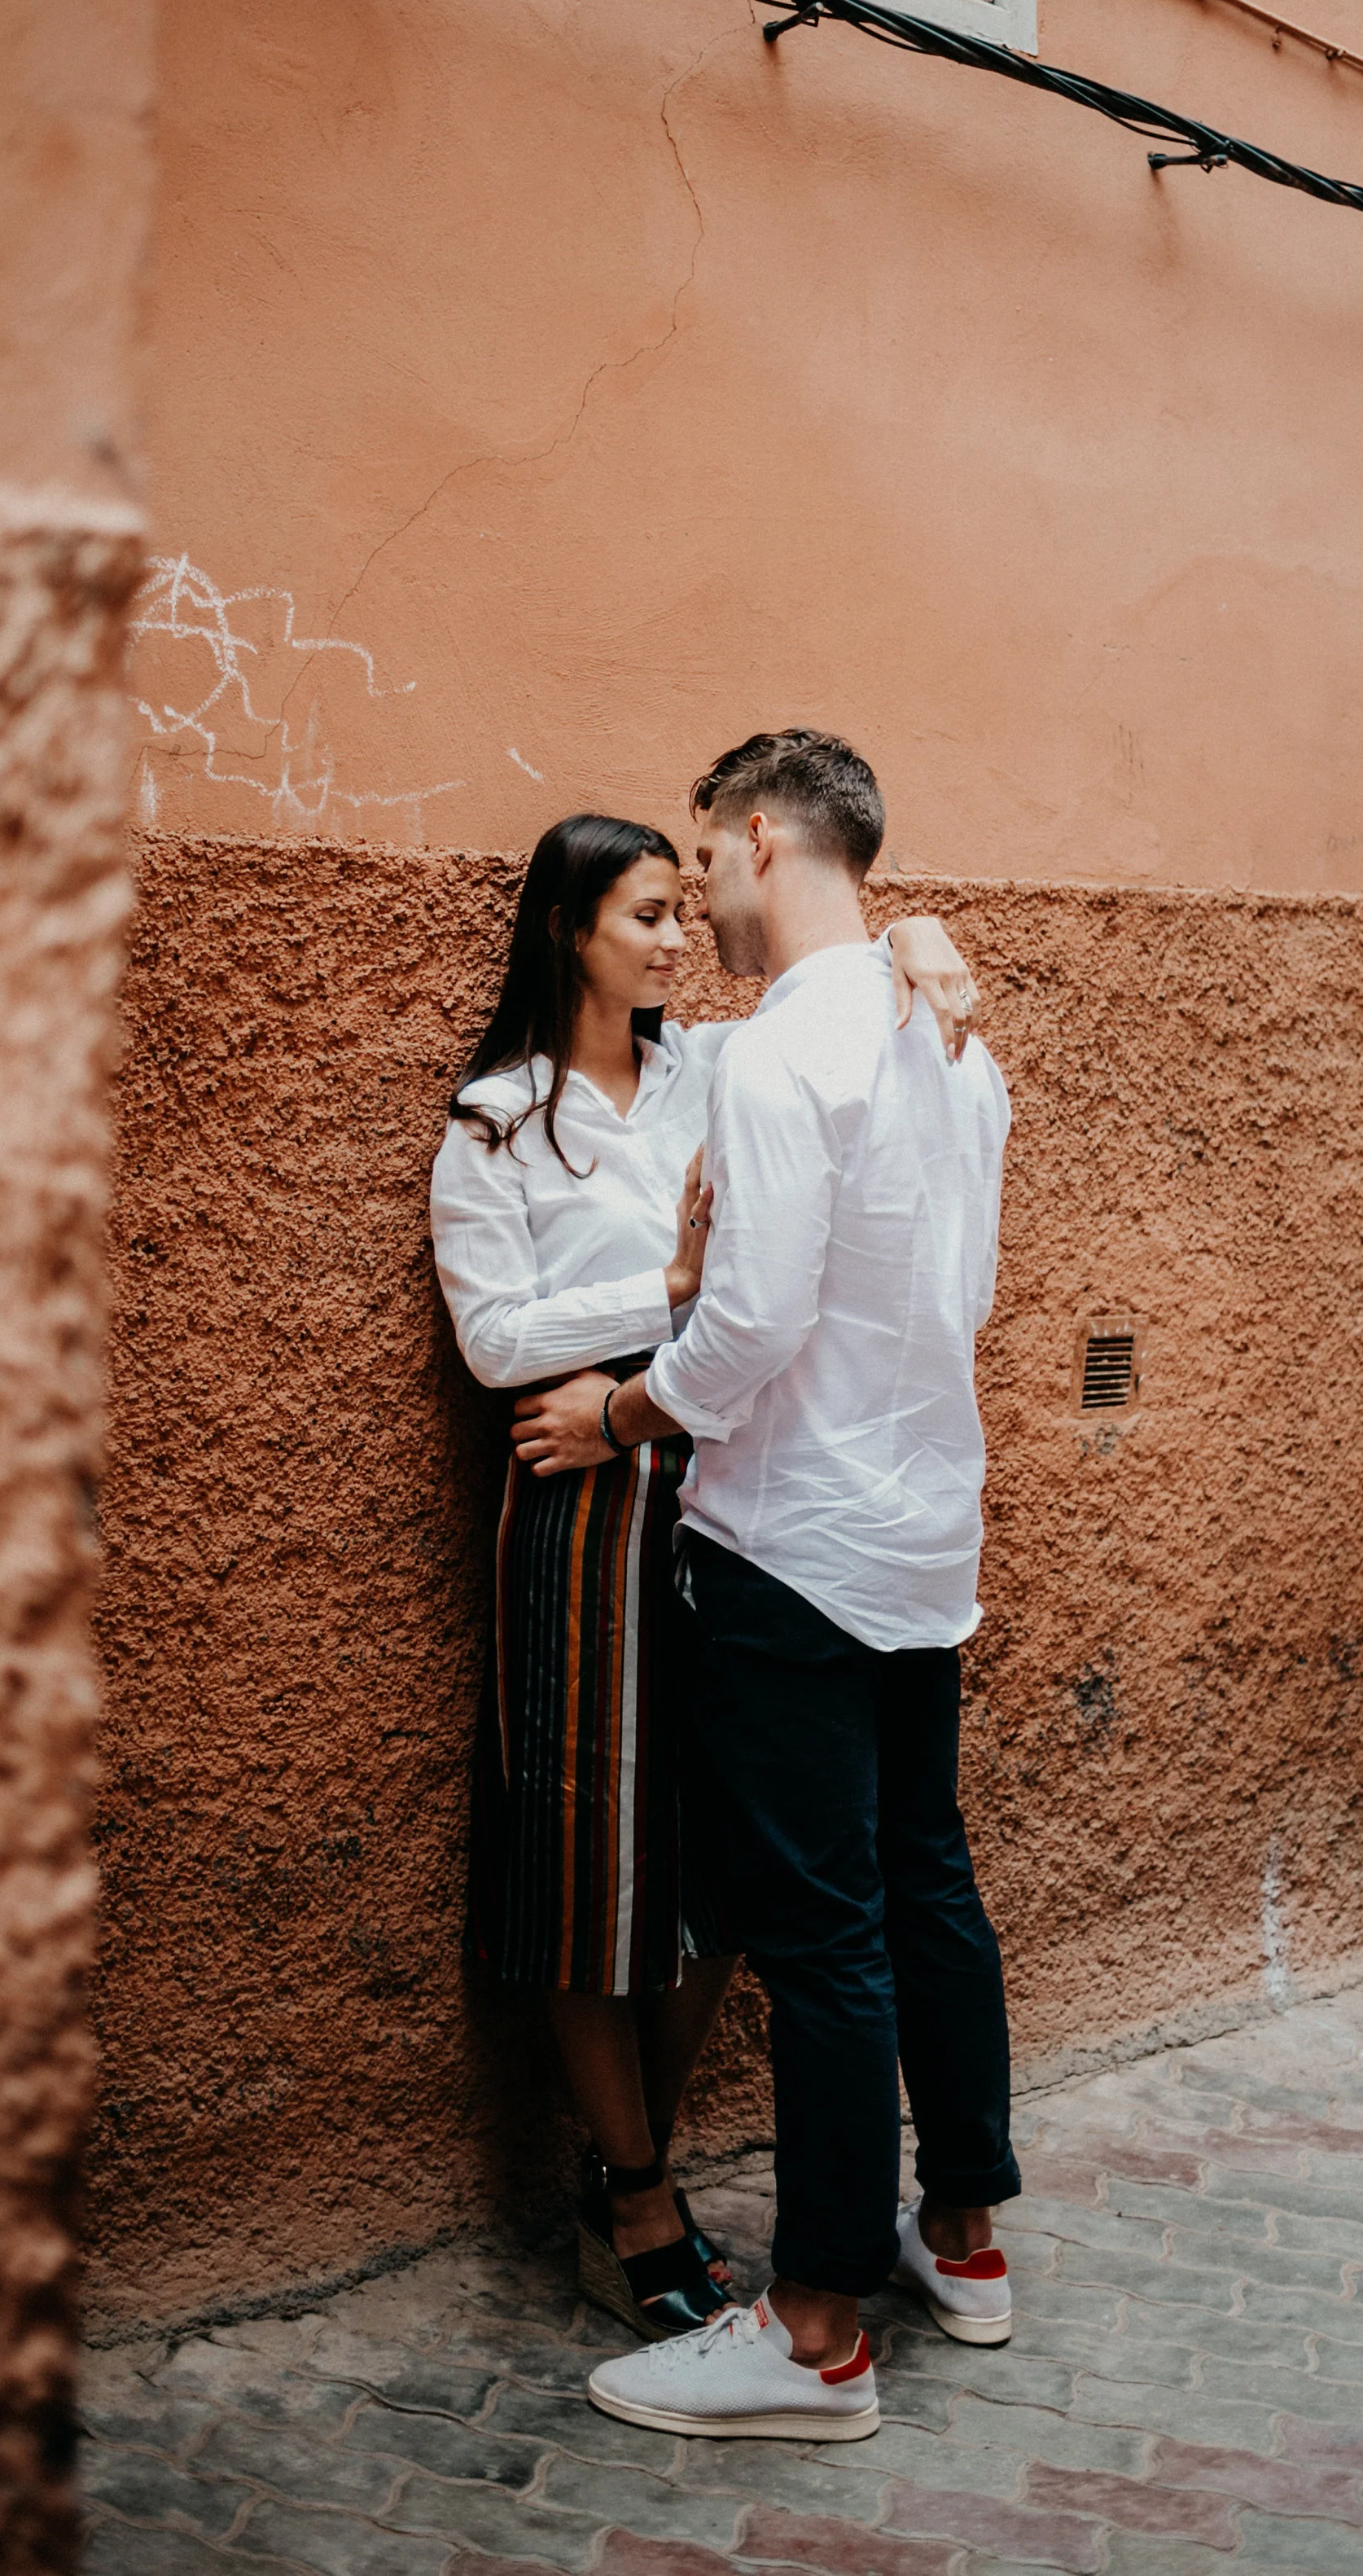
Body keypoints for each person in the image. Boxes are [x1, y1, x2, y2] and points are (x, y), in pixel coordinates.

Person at [510, 735, 1015, 2443]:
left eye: (702, 867)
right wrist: (911, 943)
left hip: (794, 1539)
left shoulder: (782, 1055)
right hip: (919, 1531)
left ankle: (809, 2334)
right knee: (923, 1881)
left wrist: (625, 1409)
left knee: (819, 1929)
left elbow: (750, 1323)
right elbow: (962, 1291)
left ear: (746, 839)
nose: (697, 900)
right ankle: (960, 2237)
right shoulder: (952, 1042)